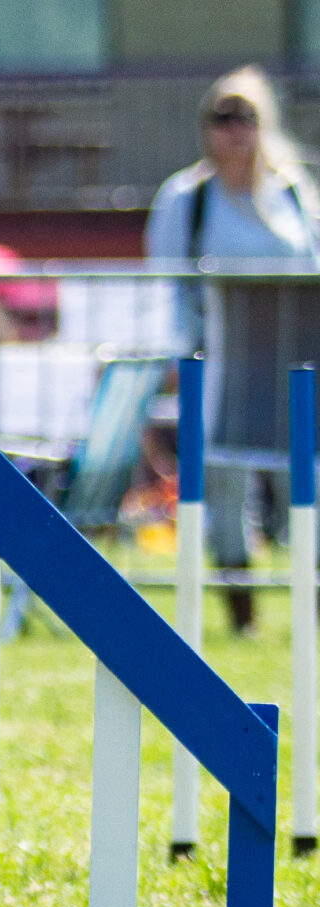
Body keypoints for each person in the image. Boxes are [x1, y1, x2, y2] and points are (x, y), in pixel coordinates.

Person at [145, 64, 320, 636]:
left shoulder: (294, 193)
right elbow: (165, 285)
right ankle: (242, 617)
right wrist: (178, 358)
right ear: (206, 128)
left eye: (246, 115)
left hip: (294, 366)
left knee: (307, 487)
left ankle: (312, 606)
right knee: (224, 488)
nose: (235, 129)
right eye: (222, 117)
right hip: (218, 365)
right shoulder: (186, 199)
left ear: (265, 123)